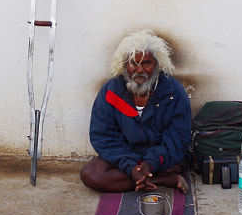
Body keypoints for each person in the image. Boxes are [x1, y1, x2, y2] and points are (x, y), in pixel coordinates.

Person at [80, 29, 193, 193]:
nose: (139, 70)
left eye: (146, 63)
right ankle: (159, 180)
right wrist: (131, 166)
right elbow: (103, 136)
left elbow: (177, 139)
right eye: (133, 63)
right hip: (126, 153)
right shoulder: (111, 91)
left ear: (157, 65)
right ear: (124, 65)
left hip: (160, 157)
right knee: (91, 175)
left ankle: (151, 174)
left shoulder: (173, 93)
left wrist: (150, 162)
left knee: (172, 164)